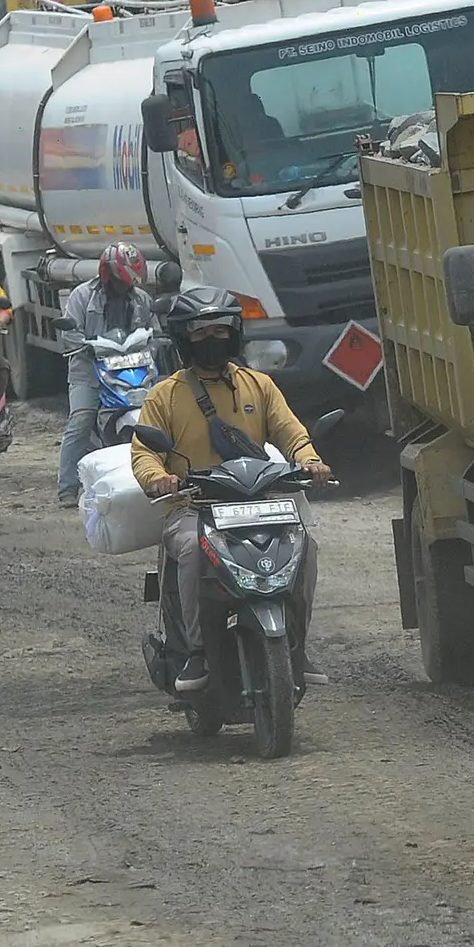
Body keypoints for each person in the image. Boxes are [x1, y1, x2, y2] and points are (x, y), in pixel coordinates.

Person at [128, 287, 333, 691]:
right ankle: (197, 653)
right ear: (184, 338)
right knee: (188, 548)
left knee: (304, 545)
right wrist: (158, 478)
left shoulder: (260, 385)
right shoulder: (165, 396)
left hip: (259, 501)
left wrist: (310, 460)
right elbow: (143, 454)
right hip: (193, 506)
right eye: (201, 334)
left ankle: (297, 647)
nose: (211, 341)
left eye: (219, 331)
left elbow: (291, 432)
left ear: (235, 334)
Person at [58, 243, 156, 508]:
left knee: (159, 413)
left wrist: (158, 341)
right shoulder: (82, 296)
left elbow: (153, 330)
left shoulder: (141, 299)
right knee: (81, 421)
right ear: (108, 274)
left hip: (131, 368)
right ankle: (67, 487)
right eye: (122, 280)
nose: (126, 287)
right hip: (89, 371)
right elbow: (69, 332)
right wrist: (84, 345)